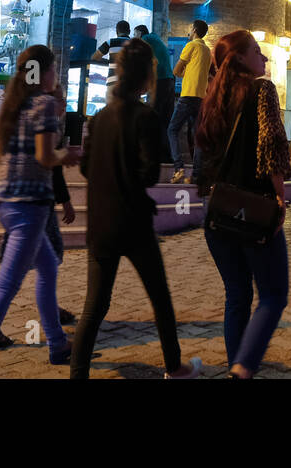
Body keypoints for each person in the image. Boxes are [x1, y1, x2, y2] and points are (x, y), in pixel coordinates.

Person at [70, 39, 203, 379]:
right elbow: (146, 173)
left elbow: (85, 168)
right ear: (146, 75)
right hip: (134, 224)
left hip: (100, 223)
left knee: (94, 306)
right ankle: (174, 366)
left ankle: (78, 373)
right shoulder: (145, 118)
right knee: (159, 298)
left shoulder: (99, 118)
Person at [0, 45, 81, 378]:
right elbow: (45, 158)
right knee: (6, 288)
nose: (57, 76)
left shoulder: (16, 104)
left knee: (48, 267)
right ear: (44, 73)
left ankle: (58, 344)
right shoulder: (42, 105)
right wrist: (68, 155)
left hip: (10, 202)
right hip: (29, 207)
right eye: (54, 70)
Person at [194, 30, 291, 378]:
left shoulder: (213, 98)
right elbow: (272, 145)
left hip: (219, 212)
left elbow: (202, 159)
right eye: (256, 51)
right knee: (273, 294)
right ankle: (242, 367)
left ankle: (236, 360)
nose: (263, 58)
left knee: (236, 295)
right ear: (239, 59)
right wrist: (281, 196)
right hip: (254, 209)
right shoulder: (261, 90)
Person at [167, 19, 211, 184]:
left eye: (190, 28)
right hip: (200, 98)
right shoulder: (207, 51)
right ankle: (196, 175)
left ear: (193, 30)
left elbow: (176, 70)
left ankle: (178, 168)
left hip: (187, 96)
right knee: (197, 135)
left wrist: (185, 74)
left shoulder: (191, 46)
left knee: (172, 130)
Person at [136, 24, 176, 160]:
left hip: (160, 81)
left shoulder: (146, 38)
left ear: (140, 33)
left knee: (155, 117)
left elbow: (142, 58)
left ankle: (154, 154)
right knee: (165, 120)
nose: (135, 38)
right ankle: (167, 155)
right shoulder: (156, 39)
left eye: (136, 34)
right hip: (169, 80)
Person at [97, 20, 133, 91]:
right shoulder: (136, 45)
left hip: (113, 83)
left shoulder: (110, 42)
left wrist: (109, 62)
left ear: (117, 31)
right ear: (129, 31)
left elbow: (95, 57)